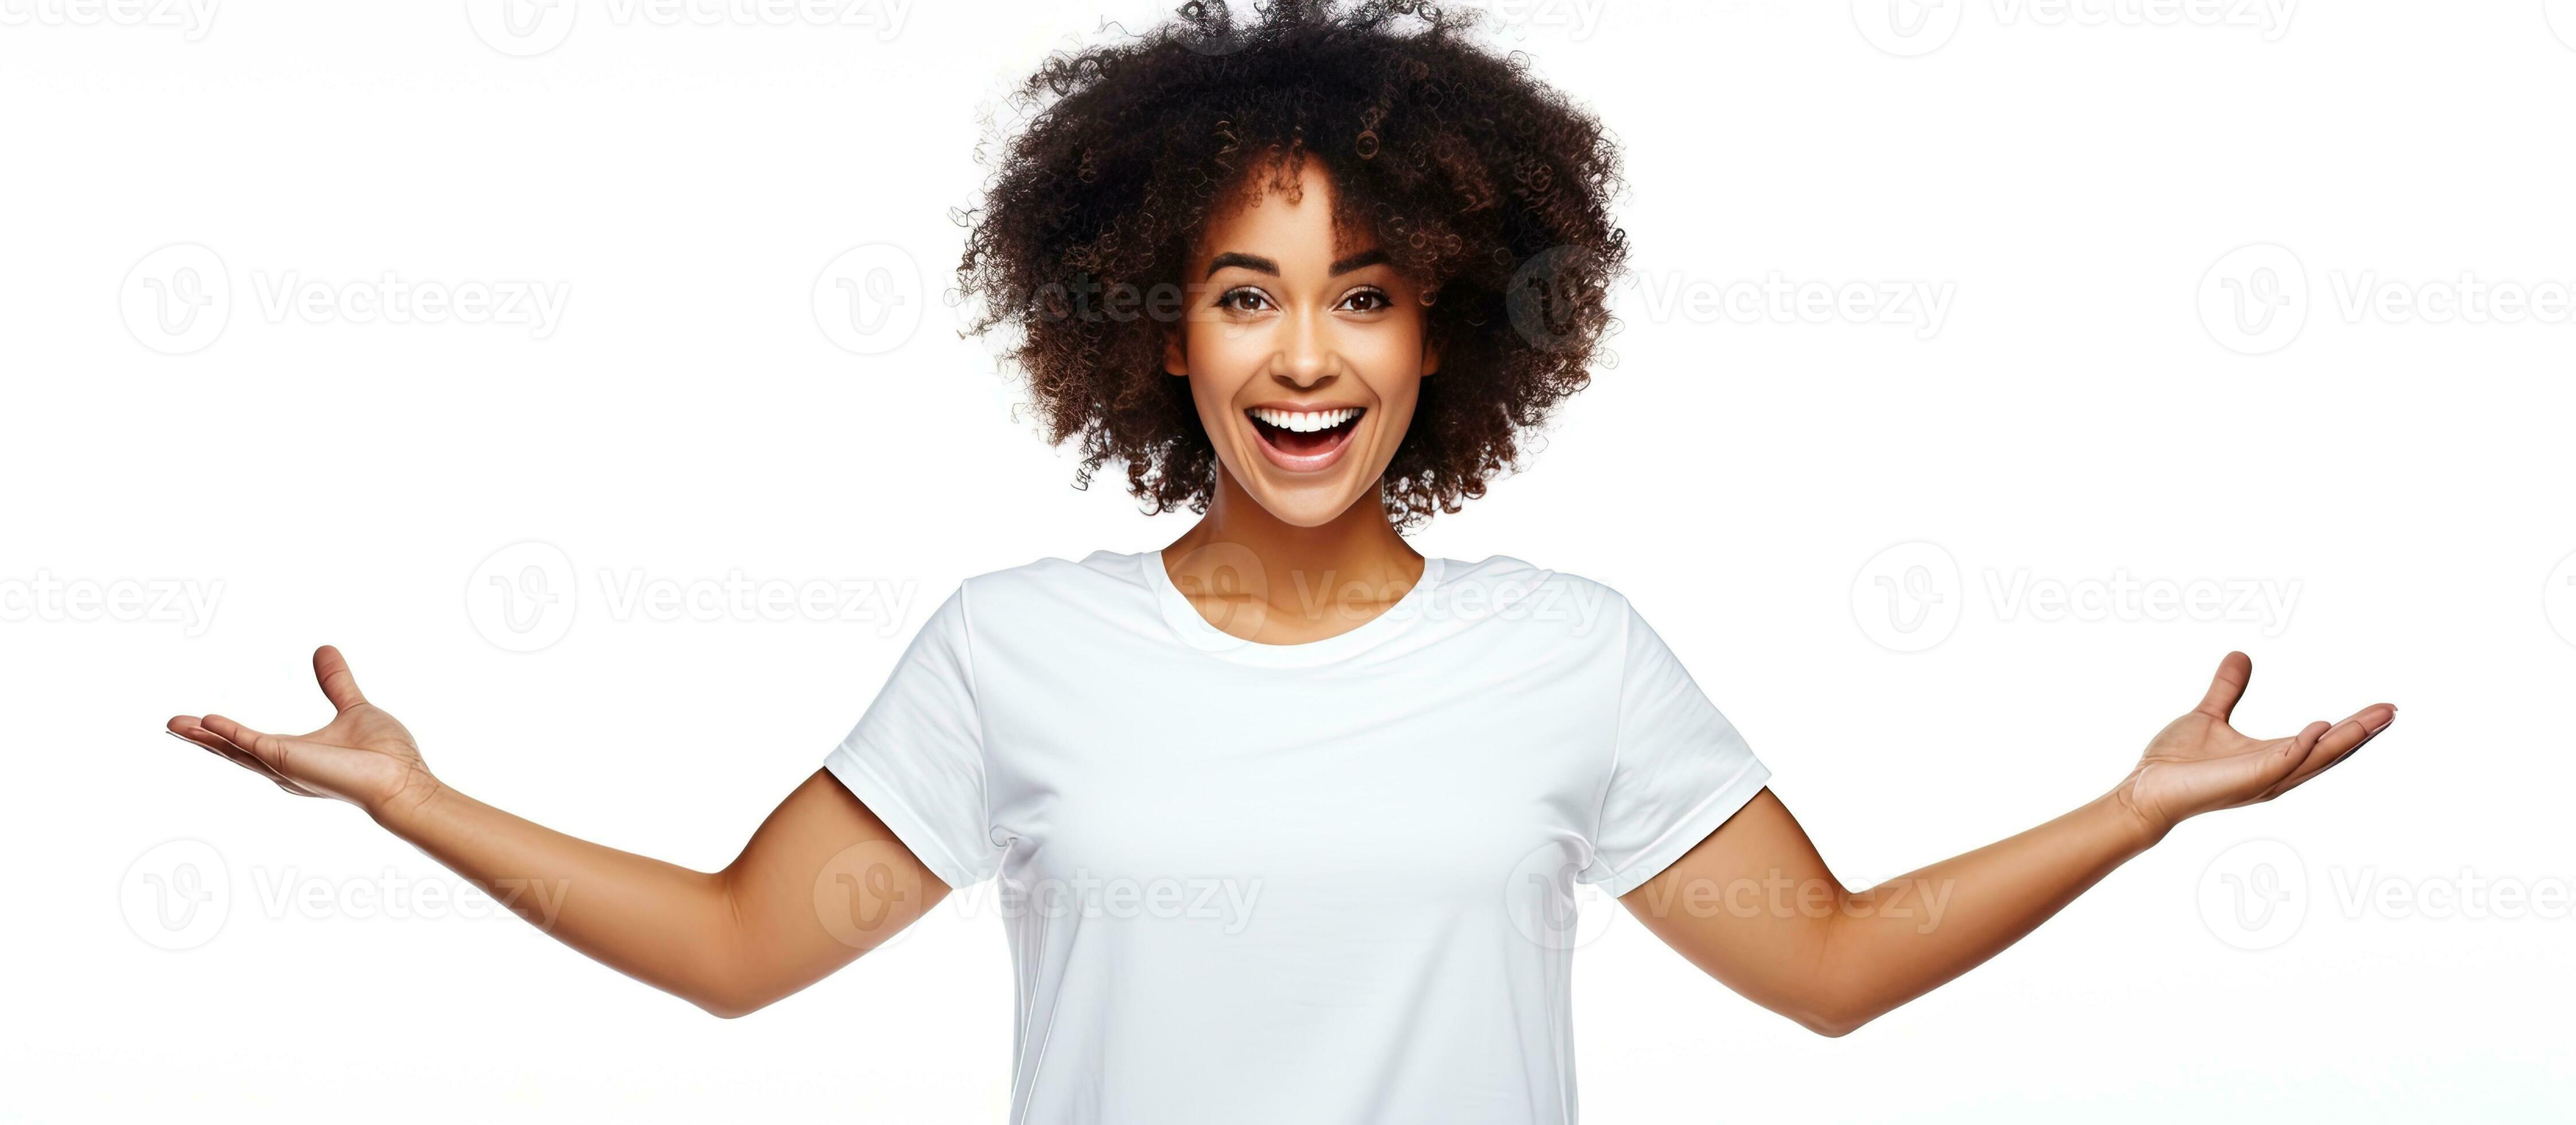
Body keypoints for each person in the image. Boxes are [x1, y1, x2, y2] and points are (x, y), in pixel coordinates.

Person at [165, 3, 2395, 1121]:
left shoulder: (1570, 656)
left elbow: (1821, 967)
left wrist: (2133, 810)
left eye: (1363, 297)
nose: (1305, 358)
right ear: (1160, 326)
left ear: (1444, 330)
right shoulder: (1016, 648)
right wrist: (418, 801)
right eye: (1245, 294)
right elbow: (743, 948)